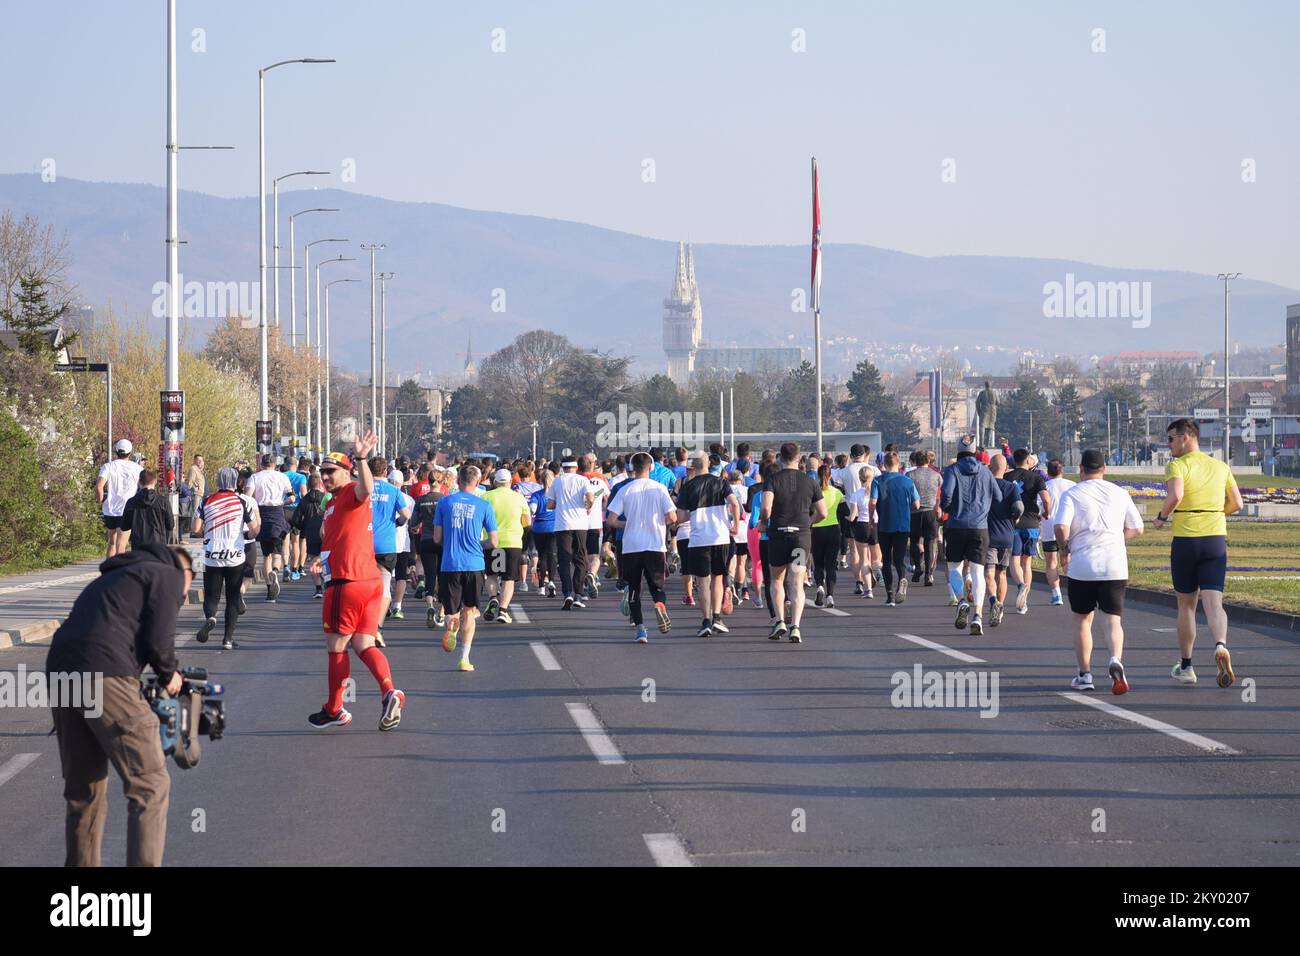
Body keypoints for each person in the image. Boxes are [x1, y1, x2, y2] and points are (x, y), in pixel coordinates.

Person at [45, 543, 193, 866]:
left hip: (61, 671)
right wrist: (170, 676)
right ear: (186, 572)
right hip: (105, 674)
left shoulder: (114, 577)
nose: (183, 598)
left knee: (84, 792)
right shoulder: (168, 574)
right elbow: (159, 642)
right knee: (150, 783)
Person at [309, 433, 406, 730]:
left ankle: (335, 708)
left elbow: (366, 488)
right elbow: (334, 538)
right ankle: (390, 692)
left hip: (347, 582)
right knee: (364, 643)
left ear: (347, 471)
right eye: (322, 472)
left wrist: (362, 458)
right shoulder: (331, 502)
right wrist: (320, 559)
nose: (325, 476)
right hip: (368, 581)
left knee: (336, 647)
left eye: (331, 471)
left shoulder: (352, 491)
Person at [1155, 418, 1243, 687]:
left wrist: (1161, 517)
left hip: (1186, 539)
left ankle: (1186, 666)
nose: (1168, 445)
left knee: (1186, 605)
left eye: (1171, 439)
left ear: (1186, 437)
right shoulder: (1220, 466)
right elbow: (1237, 503)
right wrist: (1216, 514)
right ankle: (1220, 645)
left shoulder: (1177, 465)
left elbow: (1176, 496)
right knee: (1214, 602)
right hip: (1215, 538)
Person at [1054, 449, 1144, 693]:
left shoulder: (1073, 493)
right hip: (1114, 565)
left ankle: (1085, 675)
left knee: (1083, 620)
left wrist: (1065, 549)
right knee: (1113, 620)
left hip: (1083, 566)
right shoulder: (1119, 493)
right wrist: (1118, 539)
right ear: (1104, 469)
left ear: (1081, 469)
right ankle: (1115, 659)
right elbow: (1137, 528)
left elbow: (1061, 526)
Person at [433, 463, 500, 672]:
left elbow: (437, 538)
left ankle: (452, 626)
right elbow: (494, 542)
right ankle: (464, 658)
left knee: (452, 611)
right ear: (477, 482)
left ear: (458, 481)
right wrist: (478, 544)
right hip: (474, 563)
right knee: (470, 611)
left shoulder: (444, 503)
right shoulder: (484, 505)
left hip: (450, 563)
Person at [760, 442, 827, 643]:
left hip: (779, 535)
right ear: (799, 458)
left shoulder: (772, 479)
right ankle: (795, 626)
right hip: (801, 536)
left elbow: (766, 508)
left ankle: (780, 620)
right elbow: (823, 512)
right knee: (797, 582)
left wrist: (764, 522)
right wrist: (809, 523)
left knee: (777, 580)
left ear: (780, 458)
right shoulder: (810, 481)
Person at [606, 452, 676, 642]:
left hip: (631, 546)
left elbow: (611, 520)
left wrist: (626, 524)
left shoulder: (625, 490)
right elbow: (672, 517)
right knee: (657, 586)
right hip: (655, 544)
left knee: (634, 588)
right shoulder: (660, 488)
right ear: (651, 468)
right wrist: (659, 522)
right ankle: (659, 604)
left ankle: (640, 629)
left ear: (631, 468)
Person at [941, 435, 1003, 636]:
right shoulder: (985, 471)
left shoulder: (952, 470)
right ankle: (978, 615)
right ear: (976, 451)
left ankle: (961, 601)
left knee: (954, 568)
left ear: (958, 452)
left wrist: (947, 507)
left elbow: (947, 495)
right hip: (980, 527)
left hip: (956, 526)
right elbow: (999, 497)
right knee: (978, 571)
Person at [193, 467, 261, 649]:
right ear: (235, 482)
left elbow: (195, 528)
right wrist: (247, 536)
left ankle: (211, 617)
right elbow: (254, 528)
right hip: (235, 555)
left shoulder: (206, 501)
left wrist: (203, 533)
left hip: (210, 554)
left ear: (218, 481)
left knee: (211, 595)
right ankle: (228, 639)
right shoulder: (242, 502)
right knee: (232, 597)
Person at [676, 450, 740, 636]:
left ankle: (705, 621)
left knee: (702, 582)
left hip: (698, 539)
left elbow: (680, 517)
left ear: (693, 466)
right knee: (718, 578)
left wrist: (692, 513)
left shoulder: (687, 486)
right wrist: (734, 525)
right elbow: (735, 504)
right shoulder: (721, 482)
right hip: (720, 537)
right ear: (709, 464)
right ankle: (717, 618)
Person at [366, 457, 410, 645]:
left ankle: (362, 625)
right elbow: (406, 515)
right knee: (384, 588)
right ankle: (377, 627)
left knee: (363, 587)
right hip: (386, 545)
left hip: (363, 544)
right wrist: (398, 522)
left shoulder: (362, 490)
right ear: (385, 473)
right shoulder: (394, 491)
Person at [1004, 448, 1052, 615]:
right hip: (1032, 523)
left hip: (1014, 523)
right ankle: (1024, 601)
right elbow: (1046, 498)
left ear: (1014, 461)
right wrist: (1047, 512)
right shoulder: (1036, 477)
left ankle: (1020, 586)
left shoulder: (1007, 477)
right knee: (1027, 563)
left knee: (1014, 559)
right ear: (1027, 461)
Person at [870, 451, 921, 606]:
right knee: (899, 558)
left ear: (884, 465)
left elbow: (873, 502)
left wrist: (873, 517)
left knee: (886, 560)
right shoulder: (907, 481)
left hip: (885, 524)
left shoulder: (878, 481)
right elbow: (917, 504)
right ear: (898, 464)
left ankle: (890, 595)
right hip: (903, 524)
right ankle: (902, 579)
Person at [483, 468, 530, 624]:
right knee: (508, 579)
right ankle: (503, 610)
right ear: (510, 482)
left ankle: (492, 598)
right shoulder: (519, 497)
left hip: (492, 541)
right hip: (513, 542)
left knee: (492, 575)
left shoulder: (486, 496)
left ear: (495, 482)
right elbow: (527, 522)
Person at [246, 454, 294, 602]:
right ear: (274, 464)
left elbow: (247, 496)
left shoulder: (254, 477)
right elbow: (292, 497)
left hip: (261, 514)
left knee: (266, 555)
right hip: (277, 512)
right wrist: (283, 502)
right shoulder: (282, 477)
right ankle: (275, 570)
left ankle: (269, 591)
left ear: (261, 464)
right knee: (277, 553)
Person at [548, 459, 595, 610]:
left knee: (564, 560)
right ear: (575, 467)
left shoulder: (557, 481)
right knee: (580, 558)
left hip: (562, 525)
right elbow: (590, 497)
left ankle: (567, 592)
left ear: (563, 468)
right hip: (580, 524)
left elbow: (550, 504)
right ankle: (579, 594)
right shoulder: (582, 480)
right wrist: (588, 506)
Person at [983, 454, 1023, 626]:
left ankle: (994, 602)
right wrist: (1015, 518)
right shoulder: (1011, 487)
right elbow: (1018, 507)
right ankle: (1000, 608)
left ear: (990, 468)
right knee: (1002, 574)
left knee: (989, 574)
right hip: (1007, 536)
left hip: (989, 536)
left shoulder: (985, 486)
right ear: (1006, 468)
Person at [96, 438, 143, 559]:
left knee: (111, 543)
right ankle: (118, 573)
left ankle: (108, 572)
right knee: (122, 545)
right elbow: (143, 488)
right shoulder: (137, 469)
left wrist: (99, 500)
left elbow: (99, 486)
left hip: (110, 509)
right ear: (130, 452)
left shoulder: (108, 466)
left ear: (116, 451)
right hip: (127, 510)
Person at [1040, 459, 1076, 606]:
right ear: (1062, 471)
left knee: (1051, 563)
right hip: (1068, 529)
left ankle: (1056, 594)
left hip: (1049, 529)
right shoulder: (1072, 486)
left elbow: (1040, 508)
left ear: (1048, 472)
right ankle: (1074, 589)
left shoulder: (1044, 487)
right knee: (1066, 559)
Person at [810, 464, 844, 609]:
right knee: (831, 565)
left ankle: (819, 587)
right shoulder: (837, 493)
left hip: (817, 529)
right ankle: (830, 595)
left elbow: (810, 510)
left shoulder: (813, 491)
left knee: (818, 564)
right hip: (833, 529)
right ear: (830, 476)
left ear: (818, 475)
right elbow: (844, 512)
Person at [906, 450, 942, 587]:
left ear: (916, 461)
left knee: (914, 541)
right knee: (930, 543)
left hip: (915, 512)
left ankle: (917, 566)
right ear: (928, 461)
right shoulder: (936, 475)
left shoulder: (910, 475)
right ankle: (928, 574)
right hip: (931, 511)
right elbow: (940, 492)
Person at [291, 473, 327, 600]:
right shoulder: (326, 498)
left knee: (314, 560)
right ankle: (327, 583)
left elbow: (296, 518)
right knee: (326, 560)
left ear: (308, 484)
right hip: (326, 532)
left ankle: (318, 589)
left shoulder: (304, 500)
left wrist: (302, 527)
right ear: (320, 483)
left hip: (311, 533)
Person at [121, 468, 174, 549]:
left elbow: (124, 526)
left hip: (138, 546)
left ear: (139, 482)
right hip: (158, 545)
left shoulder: (131, 502)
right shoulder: (163, 501)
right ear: (156, 481)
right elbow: (170, 525)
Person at [284, 456, 310, 580]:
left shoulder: (281, 476)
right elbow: (304, 493)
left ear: (285, 465)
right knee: (296, 542)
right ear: (296, 465)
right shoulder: (301, 477)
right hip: (296, 511)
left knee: (285, 541)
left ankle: (285, 567)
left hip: (284, 509)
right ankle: (295, 569)